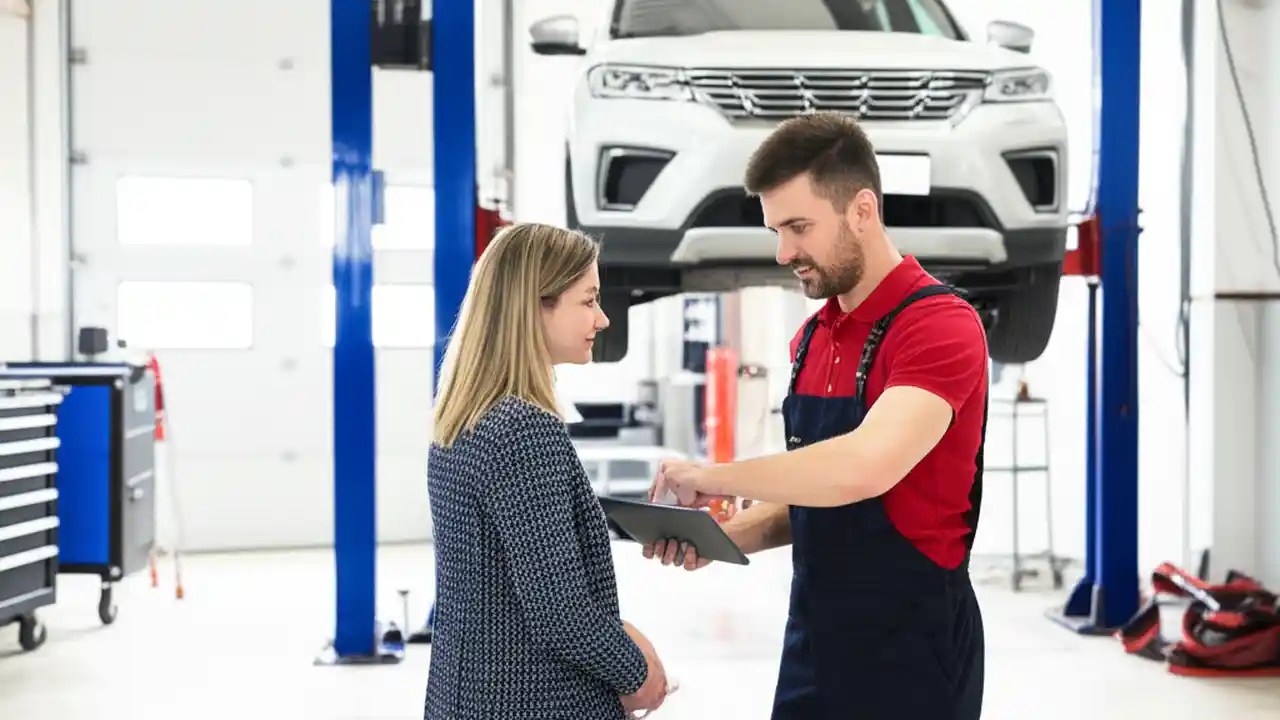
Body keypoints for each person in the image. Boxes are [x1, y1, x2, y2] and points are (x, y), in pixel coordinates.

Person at [646, 112, 990, 720]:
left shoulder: (939, 327)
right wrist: (723, 537)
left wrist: (715, 474)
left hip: (915, 650)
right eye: (776, 229)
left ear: (862, 210)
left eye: (798, 227)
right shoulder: (810, 340)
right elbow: (817, 497)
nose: (784, 252)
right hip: (816, 639)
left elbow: (863, 469)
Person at [425, 222, 670, 720]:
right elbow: (561, 610)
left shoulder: (461, 423)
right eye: (588, 300)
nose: (602, 319)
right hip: (535, 701)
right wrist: (638, 676)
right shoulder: (523, 430)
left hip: (467, 694)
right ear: (534, 305)